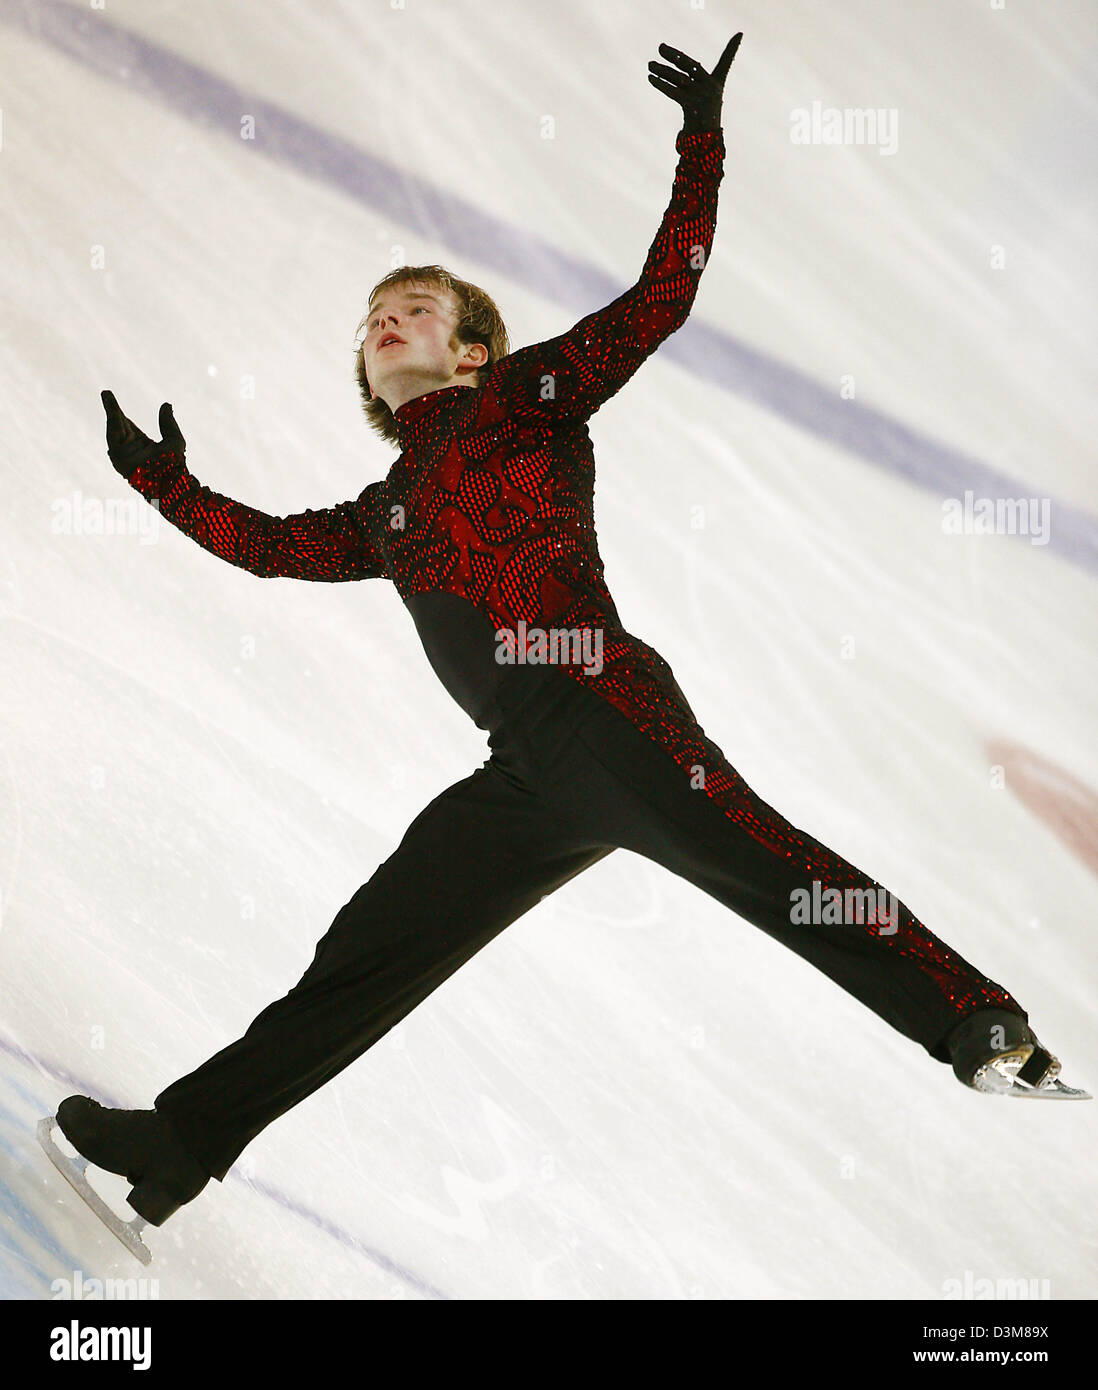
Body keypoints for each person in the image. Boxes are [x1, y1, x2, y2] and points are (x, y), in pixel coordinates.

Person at [55, 33, 1066, 1233]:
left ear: (470, 349)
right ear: (373, 392)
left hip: (612, 710)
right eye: (377, 318)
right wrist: (166, 485)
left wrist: (703, 144)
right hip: (526, 774)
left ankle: (979, 1022)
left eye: (416, 308)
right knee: (369, 954)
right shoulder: (382, 515)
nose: (390, 321)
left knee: (781, 873)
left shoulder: (528, 399)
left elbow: (661, 300)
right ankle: (175, 1145)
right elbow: (271, 545)